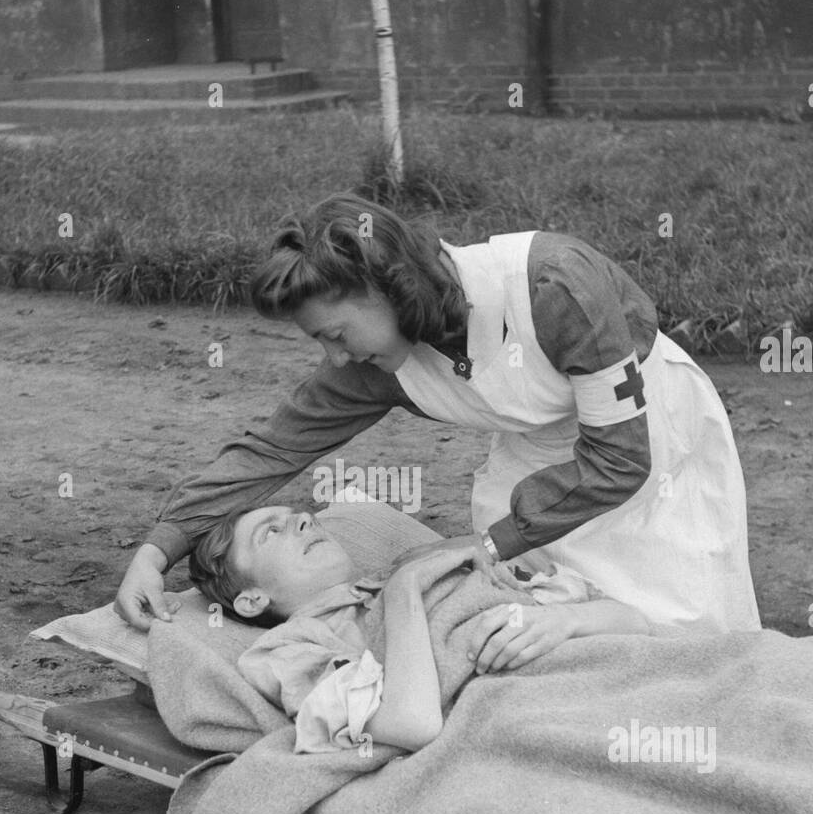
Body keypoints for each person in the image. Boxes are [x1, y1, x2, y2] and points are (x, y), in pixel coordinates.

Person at [116, 193, 760, 636]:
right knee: (534, 613)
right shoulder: (376, 361)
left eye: (335, 334)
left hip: (647, 439)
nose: (335, 360)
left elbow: (620, 460)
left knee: (677, 620)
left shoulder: (558, 289)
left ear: (388, 288)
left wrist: (491, 539)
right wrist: (156, 549)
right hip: (540, 451)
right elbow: (274, 449)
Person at [188, 504, 649, 754]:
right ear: (251, 601)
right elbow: (413, 724)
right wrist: (404, 592)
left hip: (611, 681)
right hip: (542, 718)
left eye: (298, 515)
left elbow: (639, 625)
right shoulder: (290, 648)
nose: (303, 520)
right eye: (271, 532)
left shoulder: (418, 571)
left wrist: (567, 620)